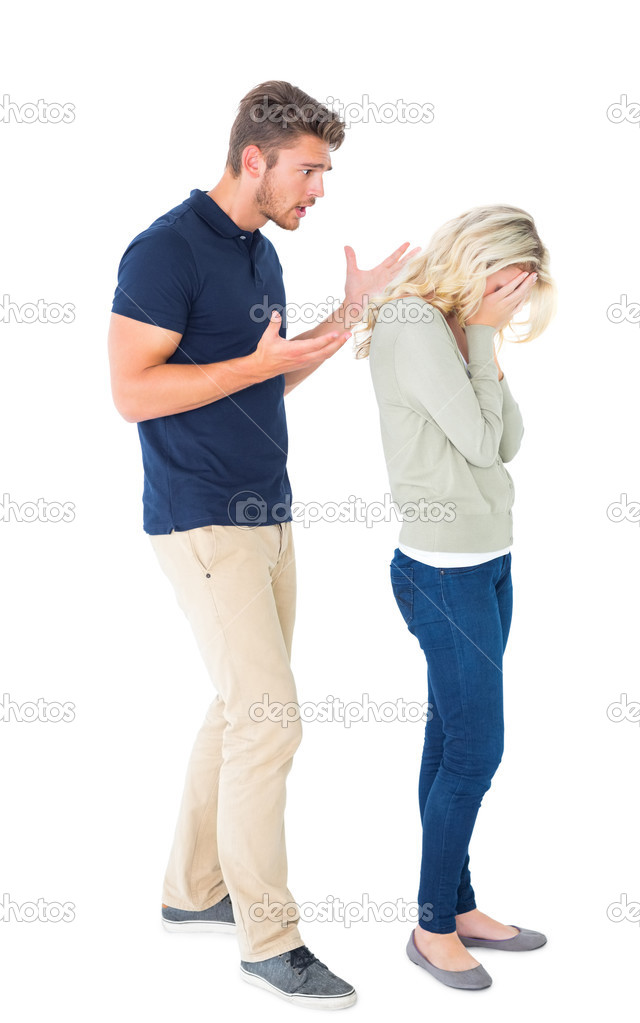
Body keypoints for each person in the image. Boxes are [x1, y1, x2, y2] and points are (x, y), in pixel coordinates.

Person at [107, 79, 417, 1009]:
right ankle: (267, 938)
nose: (318, 191)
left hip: (271, 516)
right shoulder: (165, 250)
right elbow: (132, 392)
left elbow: (261, 383)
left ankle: (193, 886)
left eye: (323, 174)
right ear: (255, 159)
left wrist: (348, 314)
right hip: (203, 518)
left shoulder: (259, 255)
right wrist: (253, 364)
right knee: (272, 719)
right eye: (310, 172)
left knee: (242, 706)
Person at [355, 205, 557, 991]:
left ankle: (459, 904)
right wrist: (481, 332)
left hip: (489, 561)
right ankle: (432, 924)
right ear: (474, 260)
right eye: (503, 282)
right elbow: (480, 443)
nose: (509, 299)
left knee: (450, 740)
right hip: (442, 570)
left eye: (520, 289)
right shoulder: (415, 321)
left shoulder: (454, 324)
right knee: (477, 750)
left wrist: (482, 333)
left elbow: (507, 442)